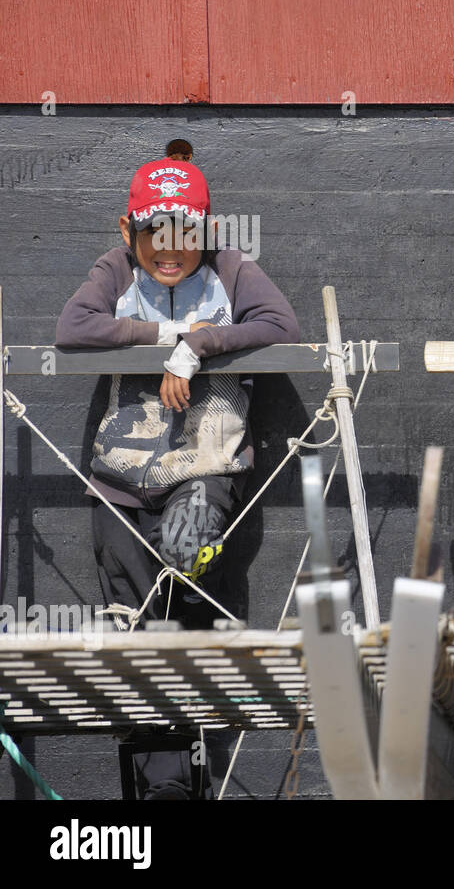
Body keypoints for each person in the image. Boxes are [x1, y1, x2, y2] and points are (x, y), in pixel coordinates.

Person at [56, 153, 299, 796]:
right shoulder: (115, 270)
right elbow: (72, 328)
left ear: (206, 232)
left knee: (189, 566)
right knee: (134, 639)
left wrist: (198, 346)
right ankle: (159, 788)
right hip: (122, 480)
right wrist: (166, 332)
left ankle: (192, 755)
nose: (170, 251)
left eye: (184, 235)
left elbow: (283, 326)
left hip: (205, 468)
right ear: (127, 231)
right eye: (153, 235)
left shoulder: (231, 270)